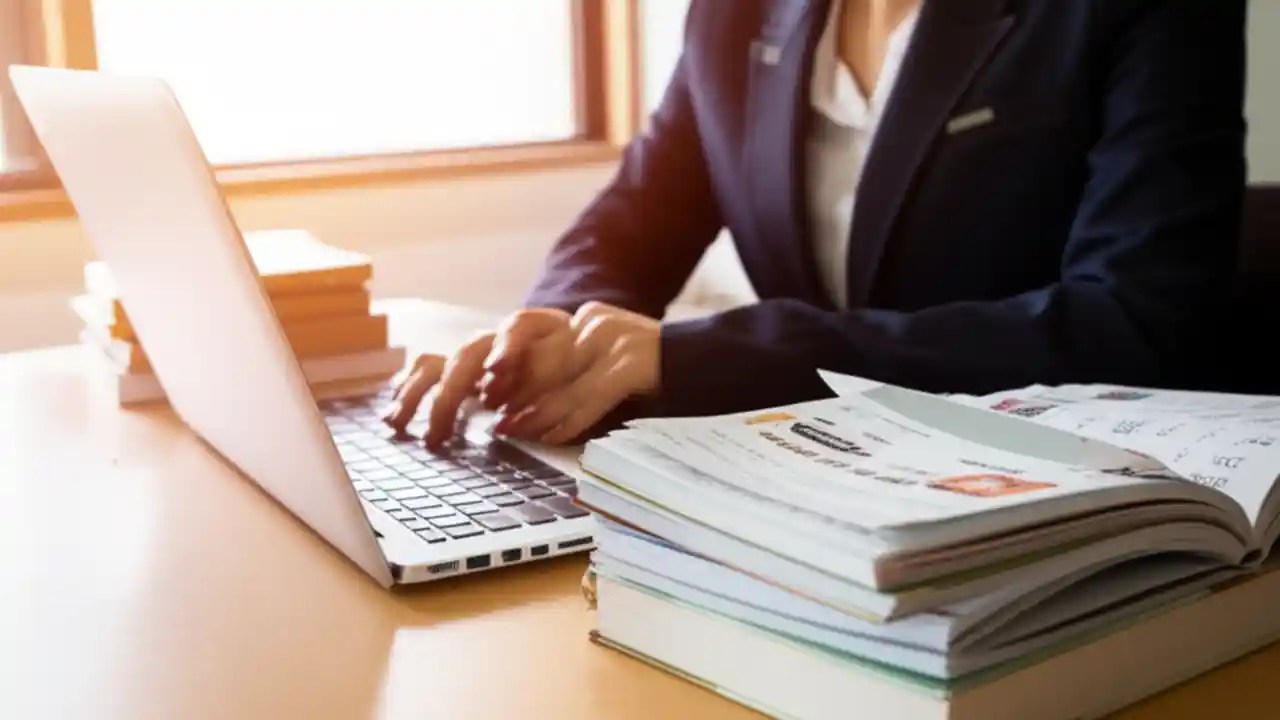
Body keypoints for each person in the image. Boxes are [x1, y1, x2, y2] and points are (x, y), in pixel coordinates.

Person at [385, 0, 1248, 448]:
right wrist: (563, 334)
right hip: (813, 489)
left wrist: (721, 356)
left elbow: (1134, 325)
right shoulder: (737, 13)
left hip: (1055, 500)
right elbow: (630, 223)